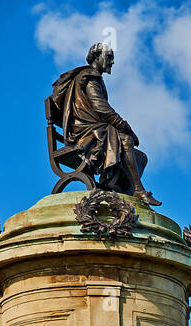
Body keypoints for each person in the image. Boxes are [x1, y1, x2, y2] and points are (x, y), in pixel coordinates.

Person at [48, 42, 161, 206]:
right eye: (109, 57)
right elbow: (100, 107)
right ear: (97, 57)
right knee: (125, 139)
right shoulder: (90, 76)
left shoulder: (93, 77)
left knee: (141, 157)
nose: (112, 61)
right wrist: (125, 126)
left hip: (94, 129)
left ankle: (125, 196)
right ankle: (139, 190)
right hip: (84, 132)